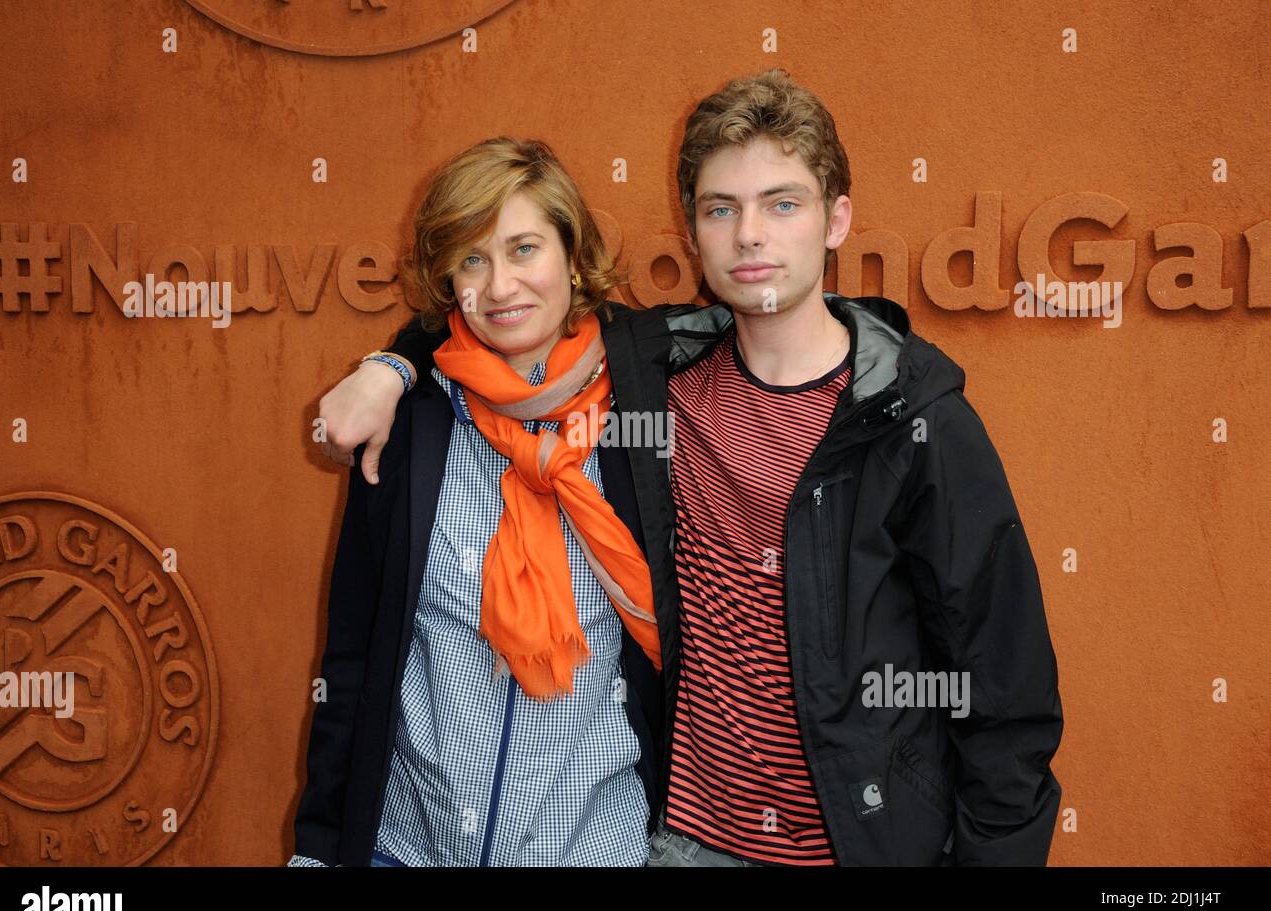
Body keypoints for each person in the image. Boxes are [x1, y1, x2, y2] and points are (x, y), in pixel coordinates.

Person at [317, 69, 1064, 866]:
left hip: (862, 845)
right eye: (721, 209)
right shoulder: (654, 375)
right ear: (694, 229)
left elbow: (1005, 698)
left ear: (836, 218)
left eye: (783, 203)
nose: (750, 235)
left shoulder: (915, 420)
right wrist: (389, 368)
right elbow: (498, 319)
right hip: (683, 846)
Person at [289, 137, 673, 866]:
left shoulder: (649, 408)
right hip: (409, 848)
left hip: (596, 849)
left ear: (573, 254)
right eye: (472, 259)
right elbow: (352, 652)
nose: (499, 287)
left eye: (524, 248)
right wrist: (319, 849)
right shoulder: (413, 424)